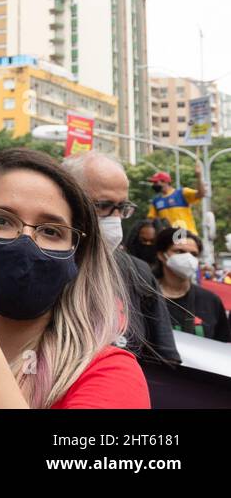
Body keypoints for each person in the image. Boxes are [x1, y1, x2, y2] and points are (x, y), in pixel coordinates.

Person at [0, 148, 149, 408]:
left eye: (51, 230)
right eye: (1, 220)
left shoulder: (107, 373)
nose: (26, 240)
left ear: (77, 255)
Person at [62, 152, 180, 367]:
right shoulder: (43, 266)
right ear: (67, 200)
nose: (115, 219)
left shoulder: (138, 273)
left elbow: (165, 360)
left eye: (122, 208)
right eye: (102, 206)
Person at [152, 227, 230, 342]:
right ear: (161, 255)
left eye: (194, 254)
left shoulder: (211, 301)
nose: (188, 258)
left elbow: (222, 346)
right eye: (180, 251)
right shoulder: (146, 299)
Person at [147, 168, 202, 233]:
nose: (154, 185)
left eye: (155, 182)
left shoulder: (182, 193)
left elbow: (201, 194)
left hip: (187, 235)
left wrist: (199, 176)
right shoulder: (156, 201)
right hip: (169, 237)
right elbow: (151, 219)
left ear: (165, 182)